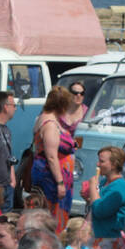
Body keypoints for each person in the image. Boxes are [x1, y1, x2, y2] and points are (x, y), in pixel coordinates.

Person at [30, 86, 75, 228]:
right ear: (62, 105)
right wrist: (60, 183)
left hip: (48, 174)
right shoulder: (50, 124)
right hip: (51, 177)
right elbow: (51, 156)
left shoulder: (44, 118)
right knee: (50, 218)